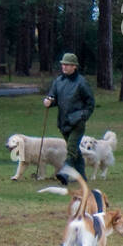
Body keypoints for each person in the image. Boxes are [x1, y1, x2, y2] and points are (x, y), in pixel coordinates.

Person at [43, 52, 95, 180]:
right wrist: (49, 101)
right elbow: (53, 97)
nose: (64, 67)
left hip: (77, 123)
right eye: (63, 64)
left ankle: (64, 173)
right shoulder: (58, 81)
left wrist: (83, 116)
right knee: (75, 150)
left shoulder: (81, 82)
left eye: (67, 65)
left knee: (71, 149)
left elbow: (90, 103)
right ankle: (82, 177)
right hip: (63, 122)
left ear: (74, 67)